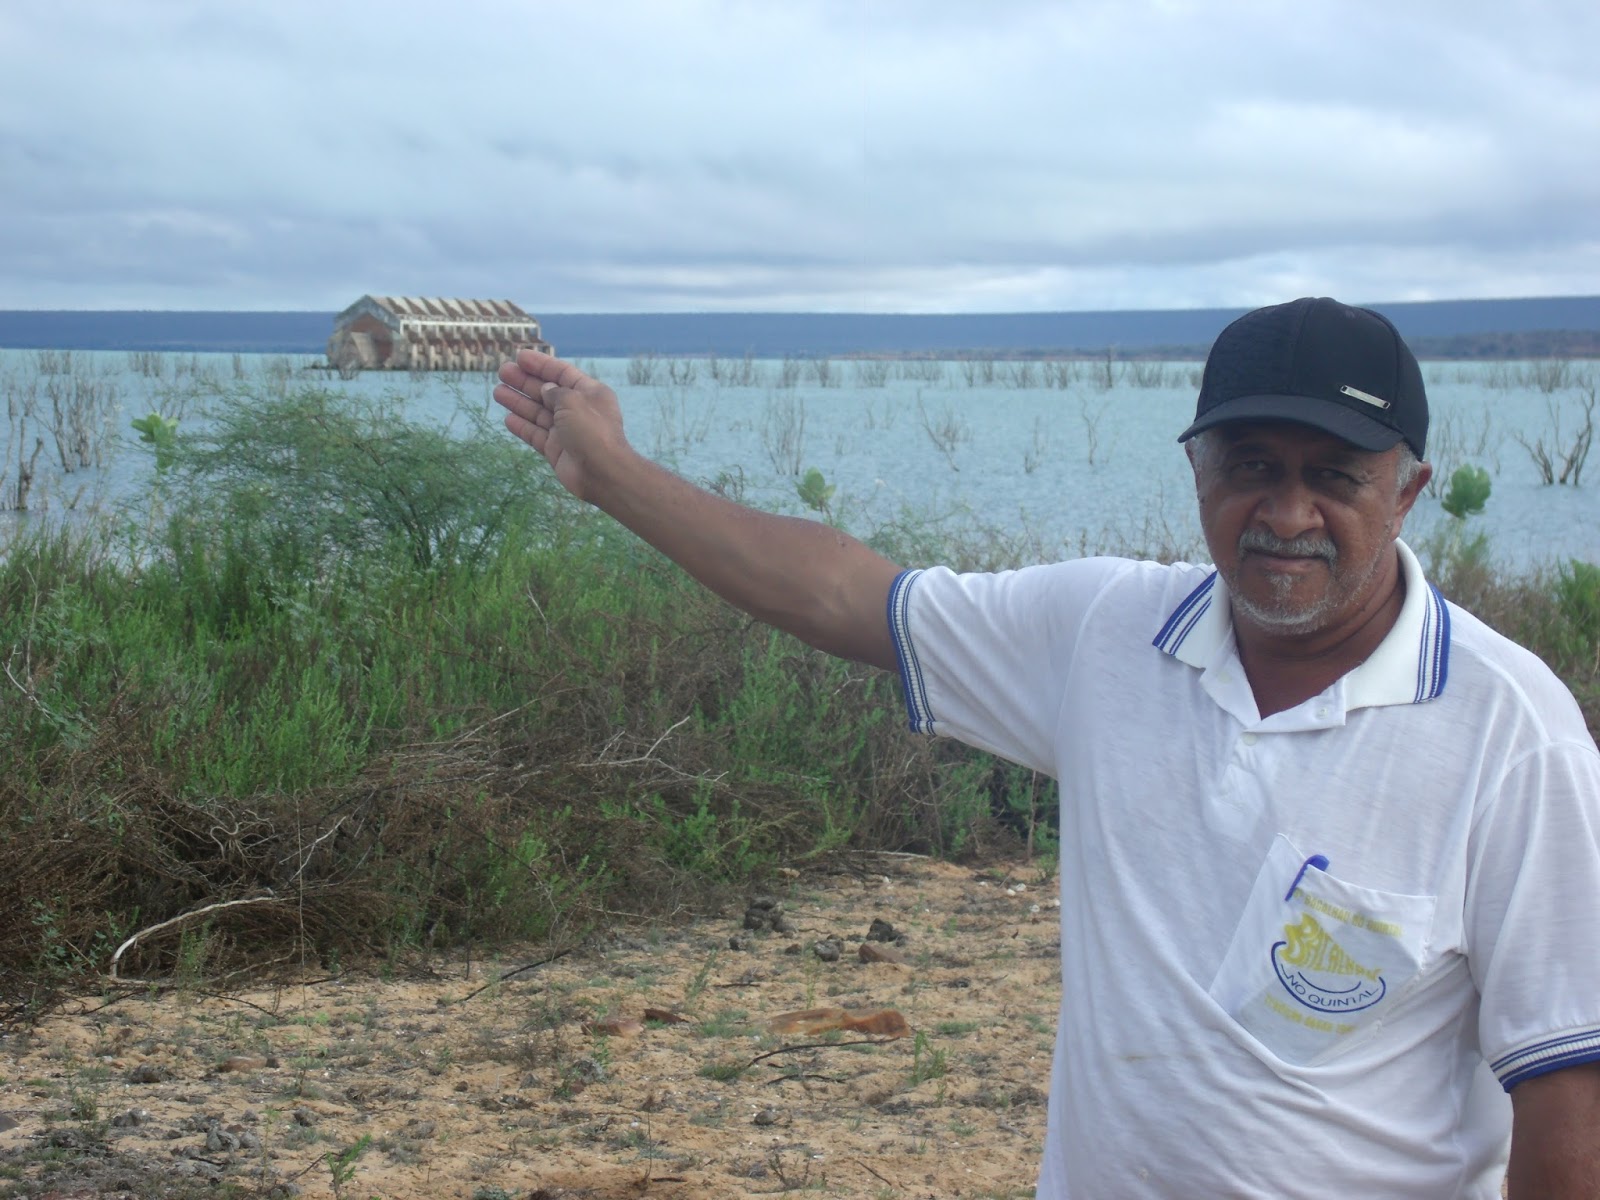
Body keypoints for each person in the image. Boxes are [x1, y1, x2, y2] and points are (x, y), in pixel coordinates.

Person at [495, 296, 1600, 1197]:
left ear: (1406, 492)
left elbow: (1566, 1102)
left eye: (1335, 476)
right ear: (1197, 472)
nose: (1288, 511)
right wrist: (611, 474)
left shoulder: (1512, 736)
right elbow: (841, 593)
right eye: (1252, 465)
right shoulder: (1108, 634)